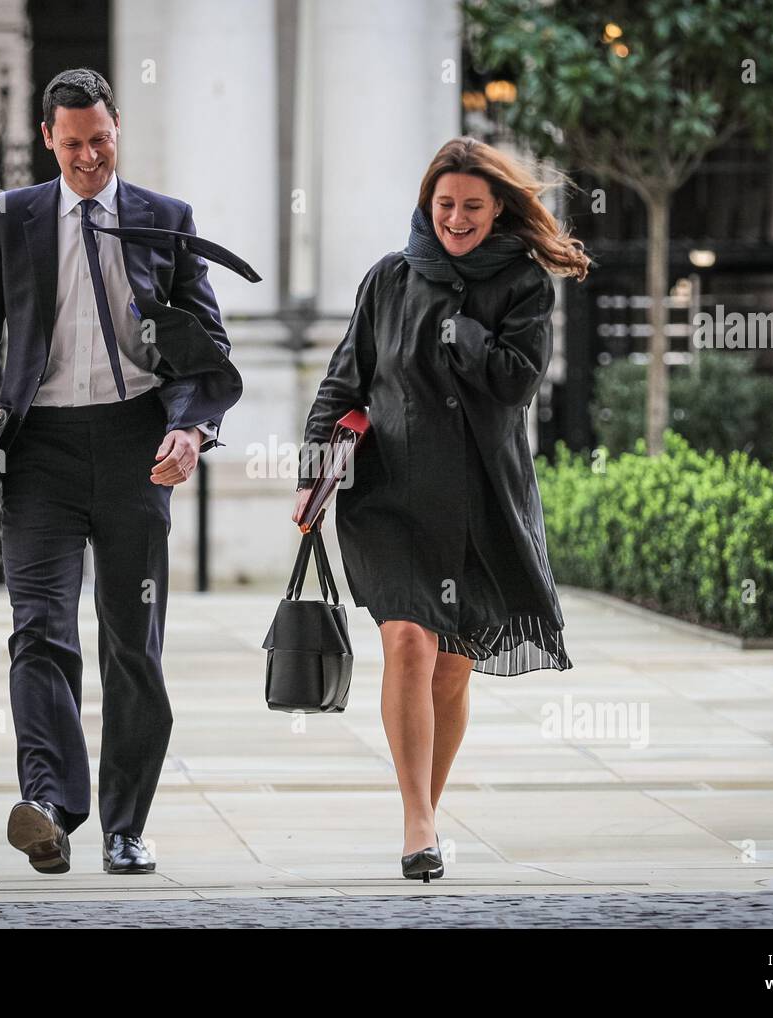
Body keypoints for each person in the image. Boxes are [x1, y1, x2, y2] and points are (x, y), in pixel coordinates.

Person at [0, 68, 243, 875]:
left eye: (100, 141)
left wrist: (193, 428)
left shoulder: (163, 220)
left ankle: (124, 826)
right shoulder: (12, 219)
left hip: (136, 445)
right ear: (48, 140)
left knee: (130, 642)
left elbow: (203, 348)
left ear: (120, 128)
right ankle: (48, 804)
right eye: (72, 144)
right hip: (37, 450)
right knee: (38, 630)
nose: (88, 157)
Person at [293, 137, 590, 881]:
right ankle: (417, 821)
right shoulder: (388, 280)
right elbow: (344, 383)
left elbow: (518, 385)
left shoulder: (524, 285)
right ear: (428, 204)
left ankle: (426, 808)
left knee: (454, 667)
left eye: (473, 206)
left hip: (480, 502)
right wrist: (310, 471)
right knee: (408, 644)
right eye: (445, 203)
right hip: (388, 496)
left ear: (499, 211)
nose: (456, 217)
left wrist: (469, 334)